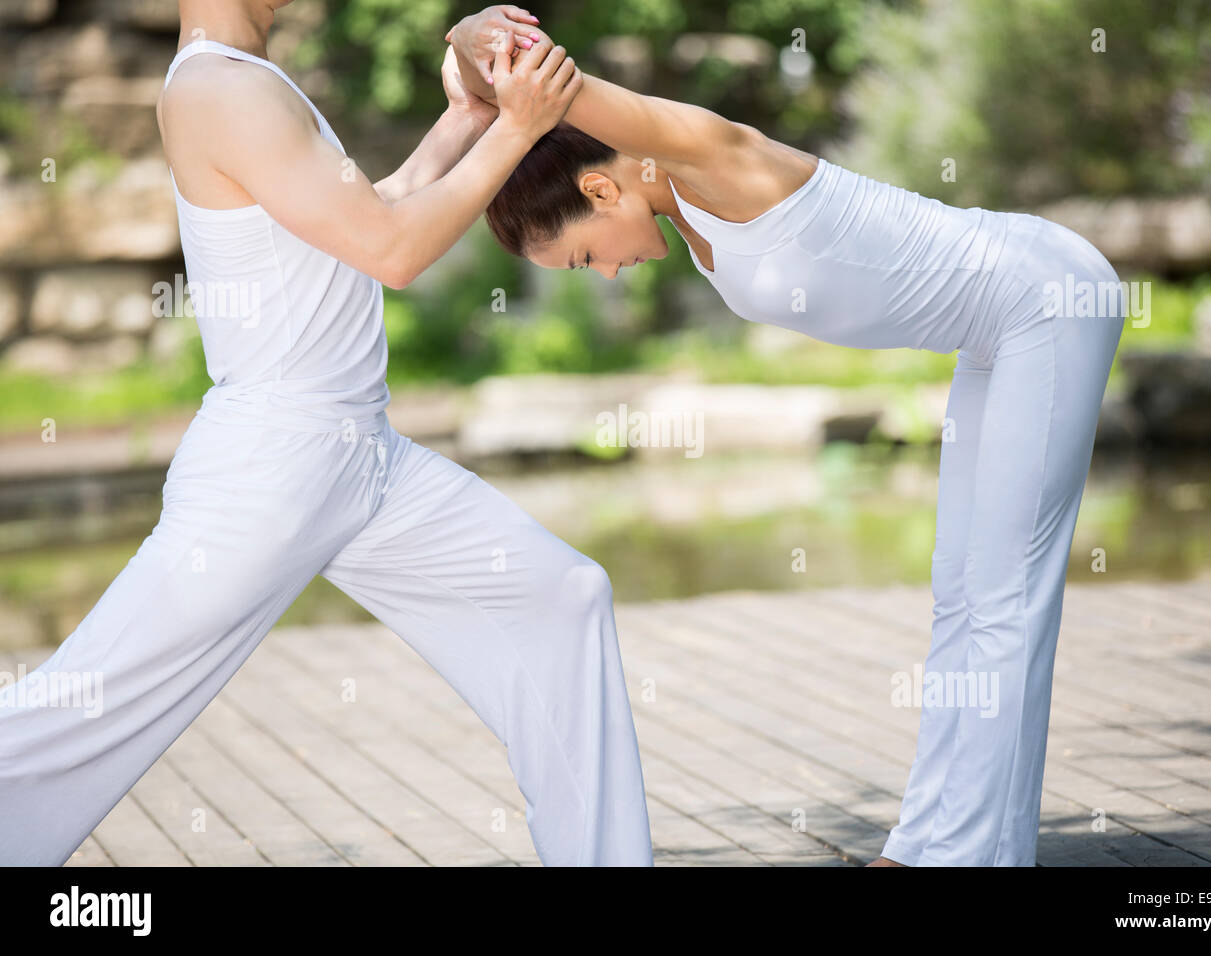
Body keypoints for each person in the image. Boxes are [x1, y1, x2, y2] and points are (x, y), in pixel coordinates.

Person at [449, 8, 1126, 866]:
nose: (608, 275)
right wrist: (485, 105)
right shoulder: (684, 213)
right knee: (961, 594)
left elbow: (532, 79)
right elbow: (509, 101)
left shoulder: (700, 150)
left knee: (1003, 602)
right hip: (997, 327)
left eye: (585, 259)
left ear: (599, 189)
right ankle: (925, 845)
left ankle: (966, 856)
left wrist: (469, 35)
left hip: (1047, 299)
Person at [0, 1, 654, 868]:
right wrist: (517, 128)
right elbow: (391, 252)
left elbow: (360, 221)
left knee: (560, 599)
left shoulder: (252, 80)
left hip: (364, 463)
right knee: (79, 710)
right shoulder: (217, 88)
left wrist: (465, 118)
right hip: (272, 466)